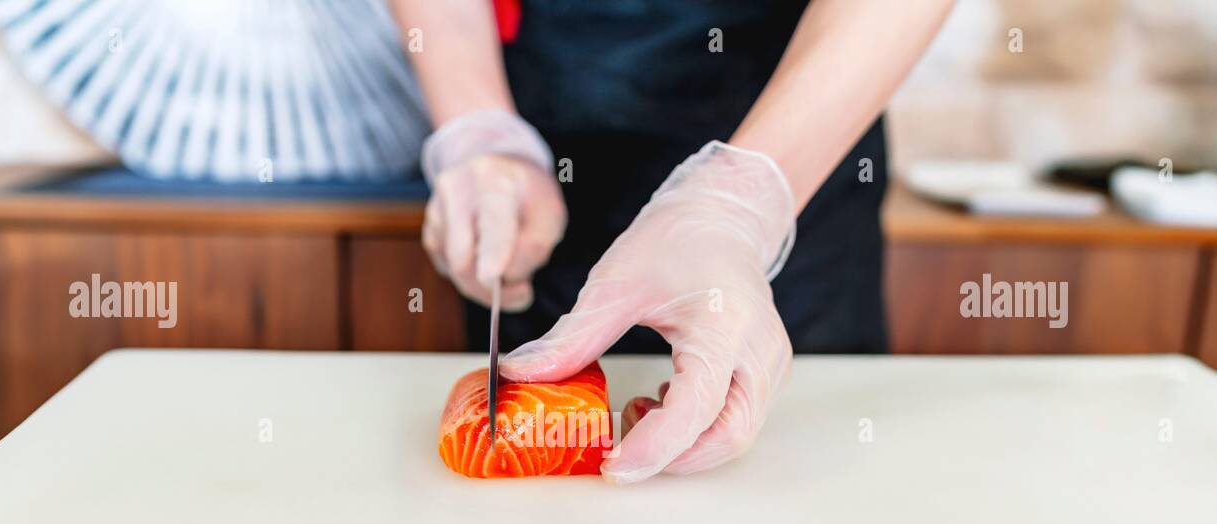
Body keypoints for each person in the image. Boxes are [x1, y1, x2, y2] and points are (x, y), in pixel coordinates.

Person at [391, 0, 955, 484]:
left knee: (790, 466)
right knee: (541, 507)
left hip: (798, 148)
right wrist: (479, 126)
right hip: (549, 159)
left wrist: (740, 199)